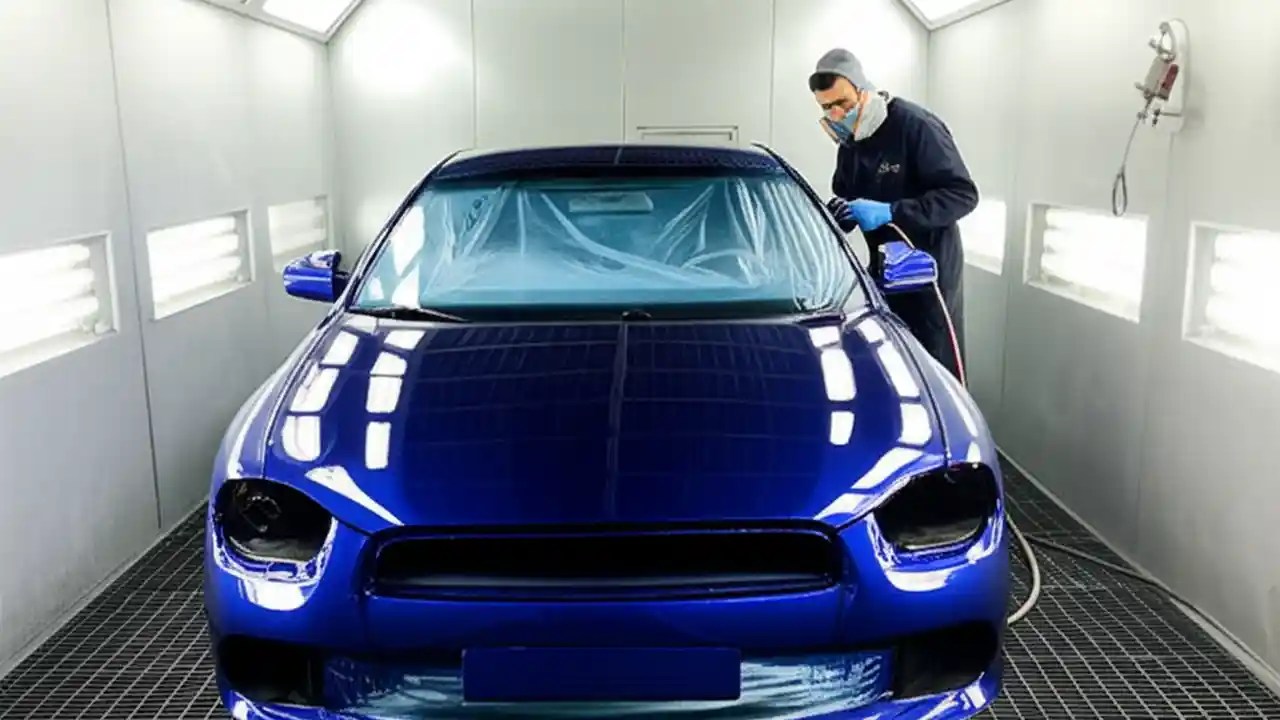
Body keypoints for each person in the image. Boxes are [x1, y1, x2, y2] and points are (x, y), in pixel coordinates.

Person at [809, 47, 978, 381]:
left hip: (929, 276)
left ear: (863, 89)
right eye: (827, 107)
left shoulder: (915, 126)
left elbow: (963, 195)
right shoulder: (851, 143)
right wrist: (841, 213)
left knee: (936, 371)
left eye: (842, 102)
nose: (837, 114)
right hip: (885, 276)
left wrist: (893, 212)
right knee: (896, 367)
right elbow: (846, 192)